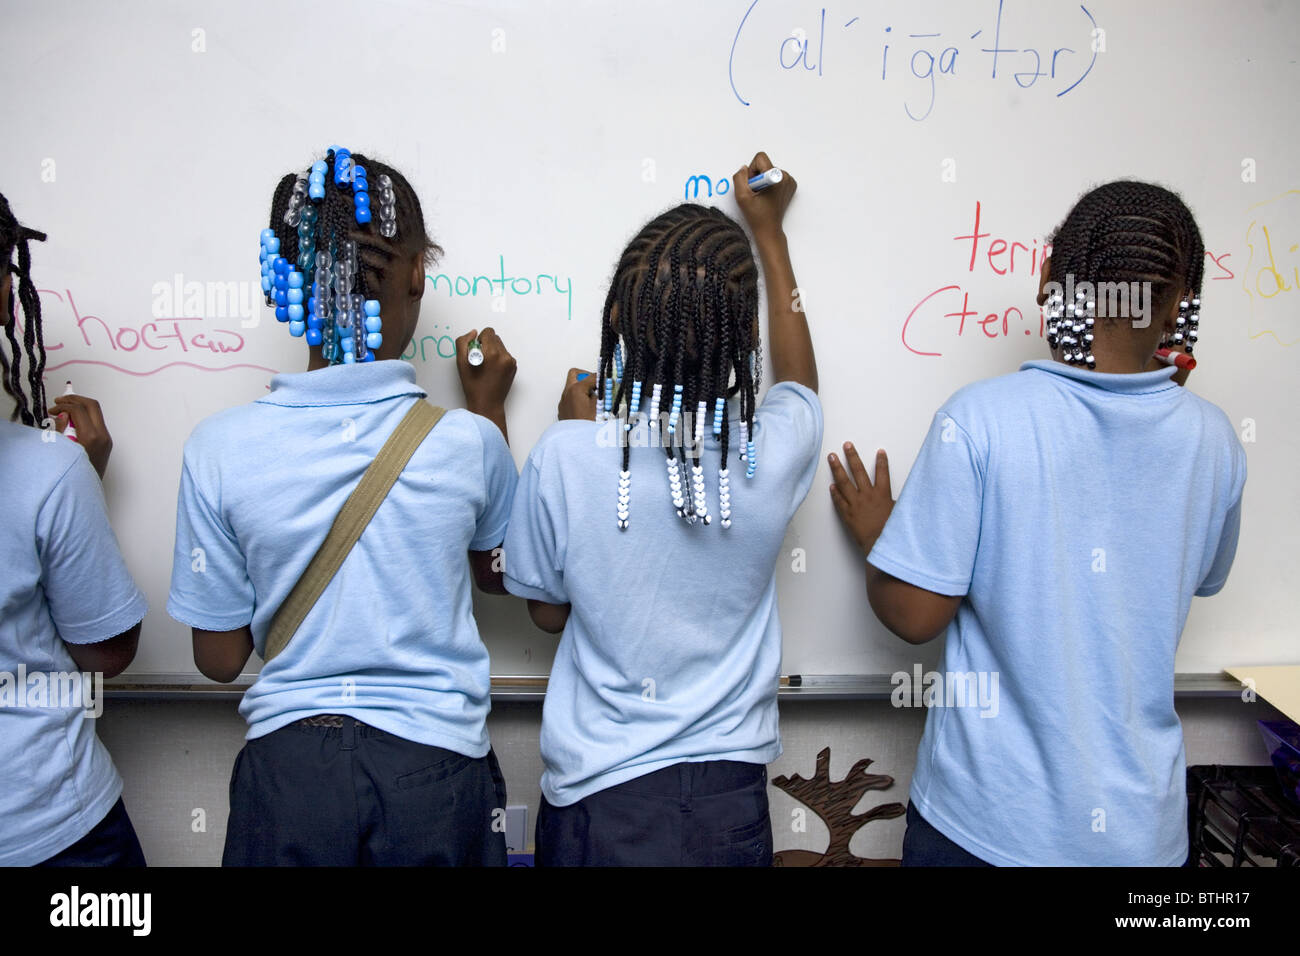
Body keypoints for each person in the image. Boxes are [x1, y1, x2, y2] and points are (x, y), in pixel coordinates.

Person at [829, 180, 1246, 866]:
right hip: (1141, 837)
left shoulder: (982, 419)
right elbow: (1194, 575)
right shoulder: (1215, 440)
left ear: (1048, 276)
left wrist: (885, 536)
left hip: (986, 827)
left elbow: (914, 615)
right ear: (1180, 308)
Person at [167, 148, 518, 866]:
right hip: (437, 773)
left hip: (289, 780)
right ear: (419, 274)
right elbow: (500, 573)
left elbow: (220, 658)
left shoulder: (218, 448)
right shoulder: (468, 444)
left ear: (282, 286)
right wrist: (487, 412)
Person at [504, 152, 821, 866]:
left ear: (617, 314)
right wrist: (770, 236)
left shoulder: (567, 456)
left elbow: (548, 613)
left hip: (598, 800)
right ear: (744, 340)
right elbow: (800, 387)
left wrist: (581, 434)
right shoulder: (767, 453)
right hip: (726, 801)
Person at [0, 191, 147, 866]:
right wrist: (82, 481)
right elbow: (107, 652)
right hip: (48, 827)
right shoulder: (48, 472)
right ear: (5, 299)